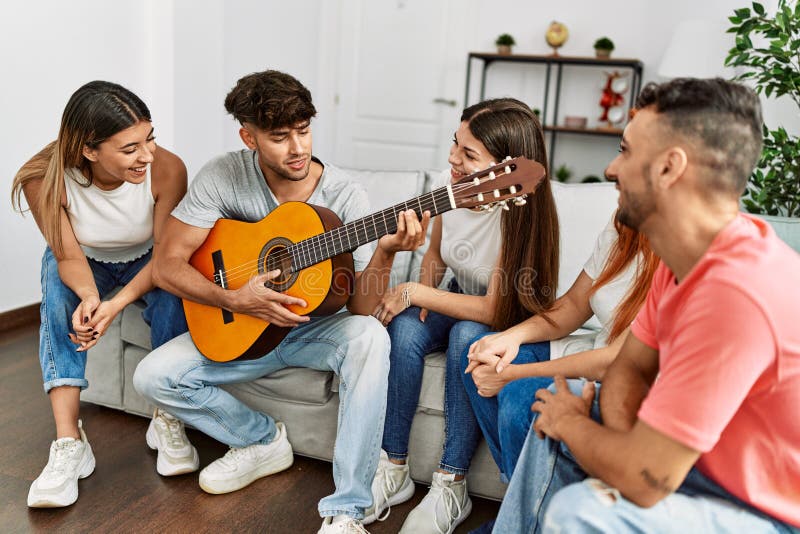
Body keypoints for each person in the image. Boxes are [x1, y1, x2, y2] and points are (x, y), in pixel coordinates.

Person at [494, 77, 800, 533]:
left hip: (763, 512)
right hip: (697, 467)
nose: (613, 168)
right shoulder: (679, 261)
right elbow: (629, 370)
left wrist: (580, 431)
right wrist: (611, 441)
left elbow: (649, 478)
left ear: (668, 168)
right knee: (562, 402)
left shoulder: (736, 293)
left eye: (628, 151)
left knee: (578, 507)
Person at [132, 69, 428, 534]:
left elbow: (363, 310)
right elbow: (167, 264)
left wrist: (387, 252)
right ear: (248, 137)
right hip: (247, 328)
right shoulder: (224, 175)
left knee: (370, 335)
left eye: (304, 131)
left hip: (316, 329)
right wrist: (235, 298)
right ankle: (262, 439)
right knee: (151, 376)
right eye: (280, 137)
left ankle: (347, 511)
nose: (298, 148)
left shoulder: (345, 195)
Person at [365, 98, 560, 534]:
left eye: (469, 154)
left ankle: (451, 482)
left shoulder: (519, 213)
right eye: (456, 143)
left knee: (467, 336)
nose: (453, 158)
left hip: (510, 315)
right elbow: (434, 253)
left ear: (503, 168)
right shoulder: (450, 187)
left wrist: (416, 292)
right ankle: (392, 466)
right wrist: (422, 295)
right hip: (459, 294)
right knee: (405, 331)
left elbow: (495, 308)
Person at [11, 81, 190, 508]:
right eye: (129, 149)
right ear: (90, 150)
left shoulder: (168, 170)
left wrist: (115, 304)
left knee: (175, 294)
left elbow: (167, 260)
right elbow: (67, 256)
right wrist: (90, 298)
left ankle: (167, 417)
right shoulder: (43, 178)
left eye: (150, 138)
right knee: (57, 290)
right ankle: (70, 443)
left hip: (151, 260)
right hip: (85, 261)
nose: (146, 155)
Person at [462, 213, 658, 482]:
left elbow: (614, 362)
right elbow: (575, 304)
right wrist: (511, 337)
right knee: (480, 356)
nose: (612, 173)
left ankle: (527, 516)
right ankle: (518, 499)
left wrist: (512, 374)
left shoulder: (678, 253)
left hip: (628, 382)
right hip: (595, 352)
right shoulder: (623, 225)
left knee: (520, 396)